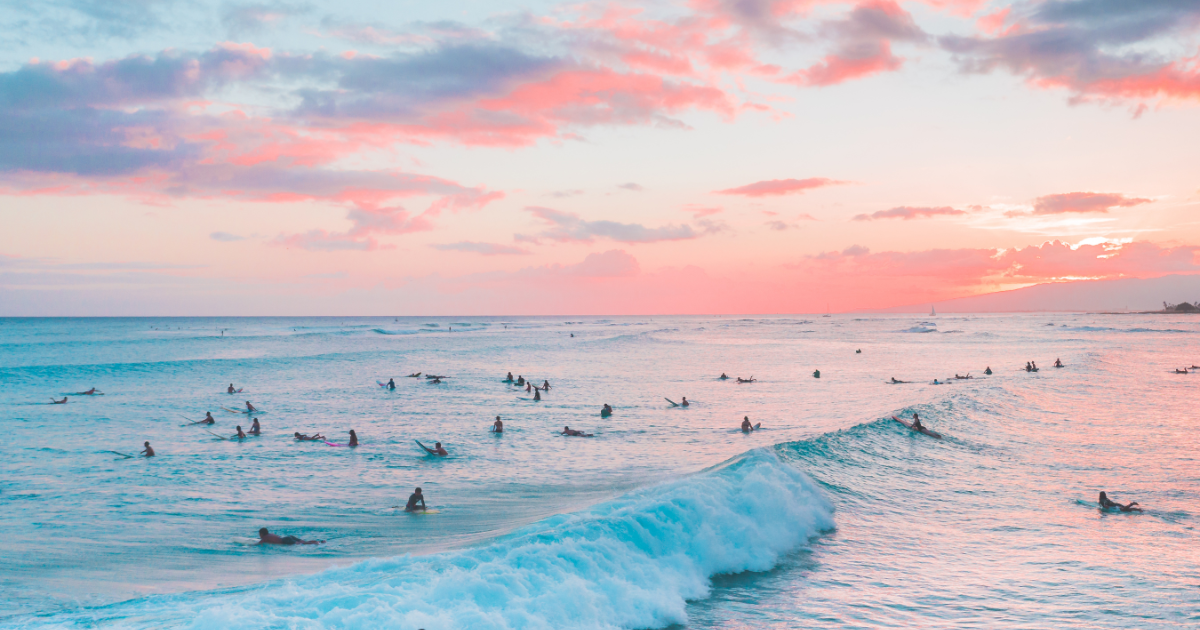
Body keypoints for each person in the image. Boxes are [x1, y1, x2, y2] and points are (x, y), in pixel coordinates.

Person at [257, 527, 324, 545]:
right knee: (303, 541)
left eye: (260, 534)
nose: (260, 536)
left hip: (285, 540)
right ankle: (320, 541)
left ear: (262, 534)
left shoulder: (265, 537)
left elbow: (259, 543)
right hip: (287, 537)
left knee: (302, 543)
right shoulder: (270, 534)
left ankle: (316, 543)